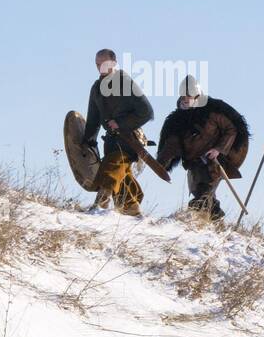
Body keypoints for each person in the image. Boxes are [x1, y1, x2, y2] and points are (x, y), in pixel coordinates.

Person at [156, 76, 249, 221]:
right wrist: (161, 163)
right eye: (183, 96)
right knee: (201, 191)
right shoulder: (177, 120)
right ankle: (216, 221)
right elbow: (172, 145)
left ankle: (195, 220)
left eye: (189, 96)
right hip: (195, 163)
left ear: (197, 95)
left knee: (204, 191)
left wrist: (218, 149)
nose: (185, 99)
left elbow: (232, 129)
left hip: (215, 160)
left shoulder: (213, 110)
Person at [82, 49, 154, 215]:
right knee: (122, 175)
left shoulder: (125, 82)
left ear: (113, 63)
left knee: (111, 167)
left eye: (104, 63)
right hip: (111, 141)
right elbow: (93, 119)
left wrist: (120, 123)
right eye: (97, 64)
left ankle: (101, 203)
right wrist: (88, 142)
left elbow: (146, 111)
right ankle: (131, 208)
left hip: (129, 139)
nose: (100, 67)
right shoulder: (96, 88)